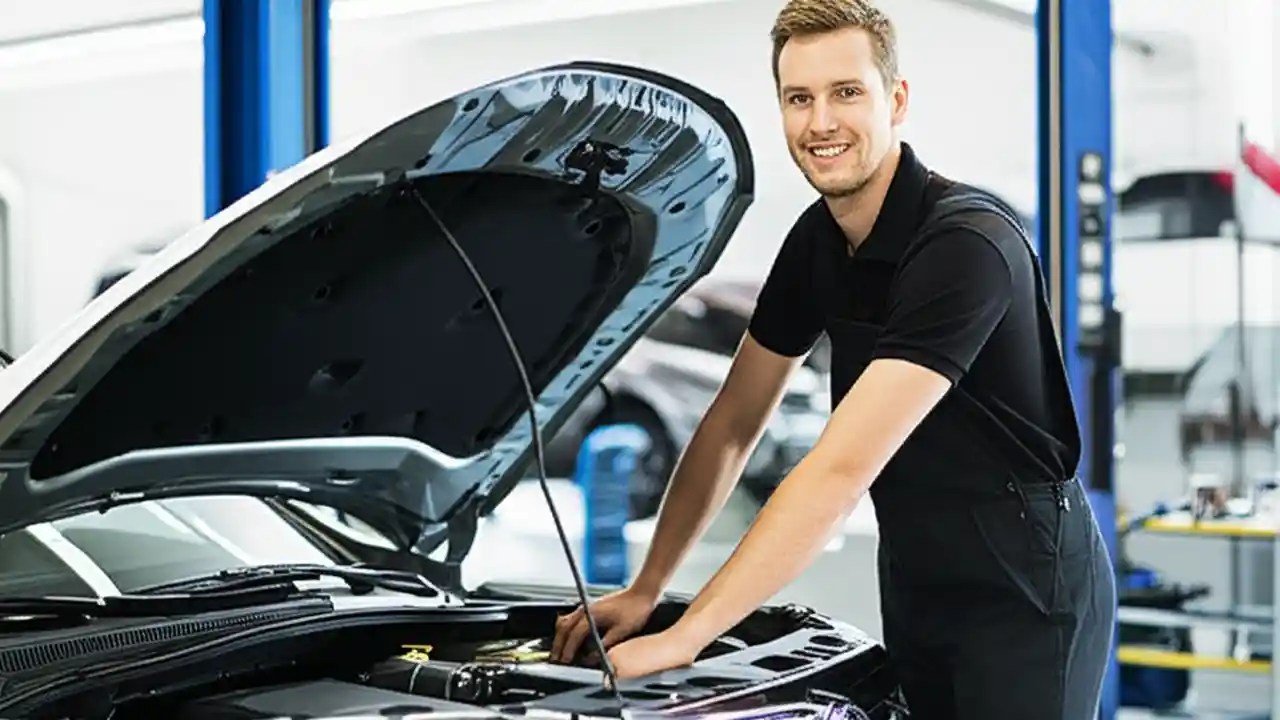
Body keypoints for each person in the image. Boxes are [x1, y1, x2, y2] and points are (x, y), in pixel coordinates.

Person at [550, 1, 1117, 717]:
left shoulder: (966, 246)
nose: (821, 122)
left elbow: (840, 471)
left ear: (896, 99)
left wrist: (689, 636)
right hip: (917, 571)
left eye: (846, 92)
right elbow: (731, 422)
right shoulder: (817, 242)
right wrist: (649, 587)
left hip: (1024, 588)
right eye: (799, 98)